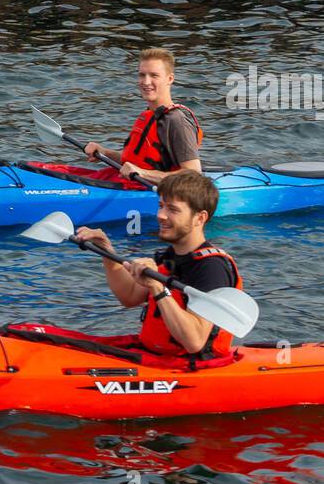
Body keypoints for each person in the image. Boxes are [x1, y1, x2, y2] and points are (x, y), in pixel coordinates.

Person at [75, 171, 242, 362]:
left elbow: (194, 341)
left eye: (173, 209)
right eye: (161, 206)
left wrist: (157, 288)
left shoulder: (211, 268)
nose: (161, 215)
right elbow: (129, 297)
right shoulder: (169, 257)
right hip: (155, 357)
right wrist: (107, 252)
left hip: (191, 367)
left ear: (200, 218)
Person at [83, 48, 202, 184]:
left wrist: (143, 174)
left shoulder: (177, 121)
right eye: (142, 75)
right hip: (132, 185)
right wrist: (105, 152)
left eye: (154, 75)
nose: (146, 82)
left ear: (169, 79)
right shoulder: (150, 115)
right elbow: (137, 162)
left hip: (153, 192)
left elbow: (193, 175)